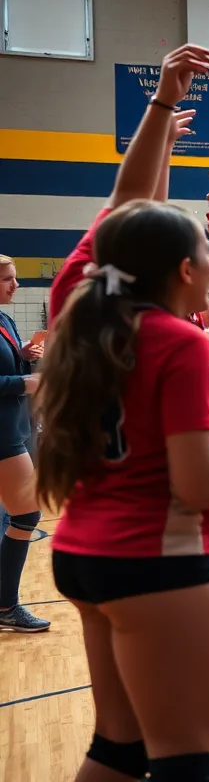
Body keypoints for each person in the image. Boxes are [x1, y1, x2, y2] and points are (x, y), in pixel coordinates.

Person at [38, 192, 209, 782]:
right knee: (184, 767)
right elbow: (194, 484)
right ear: (186, 271)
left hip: (83, 555)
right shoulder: (177, 343)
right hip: (155, 560)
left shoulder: (86, 329)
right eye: (206, 256)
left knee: (119, 746)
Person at [0, 255, 45, 633]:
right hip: (2, 434)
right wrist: (23, 383)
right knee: (26, 514)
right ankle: (5, 605)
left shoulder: (5, 319)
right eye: (7, 280)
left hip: (10, 426)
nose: (16, 285)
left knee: (22, 514)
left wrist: (24, 357)